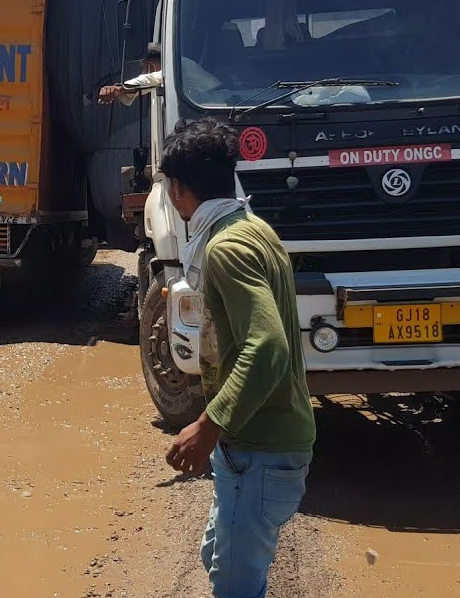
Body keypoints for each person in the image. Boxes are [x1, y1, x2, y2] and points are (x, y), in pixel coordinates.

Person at [159, 119, 315, 598]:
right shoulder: (254, 228)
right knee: (218, 559)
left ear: (178, 188)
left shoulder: (226, 248)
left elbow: (267, 346)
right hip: (256, 447)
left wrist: (208, 426)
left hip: (260, 451)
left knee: (235, 588)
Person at [98, 42, 224, 106]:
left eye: (143, 69)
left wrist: (119, 89)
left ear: (151, 66)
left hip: (220, 103)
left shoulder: (177, 66)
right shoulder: (181, 62)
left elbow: (151, 79)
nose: (143, 73)